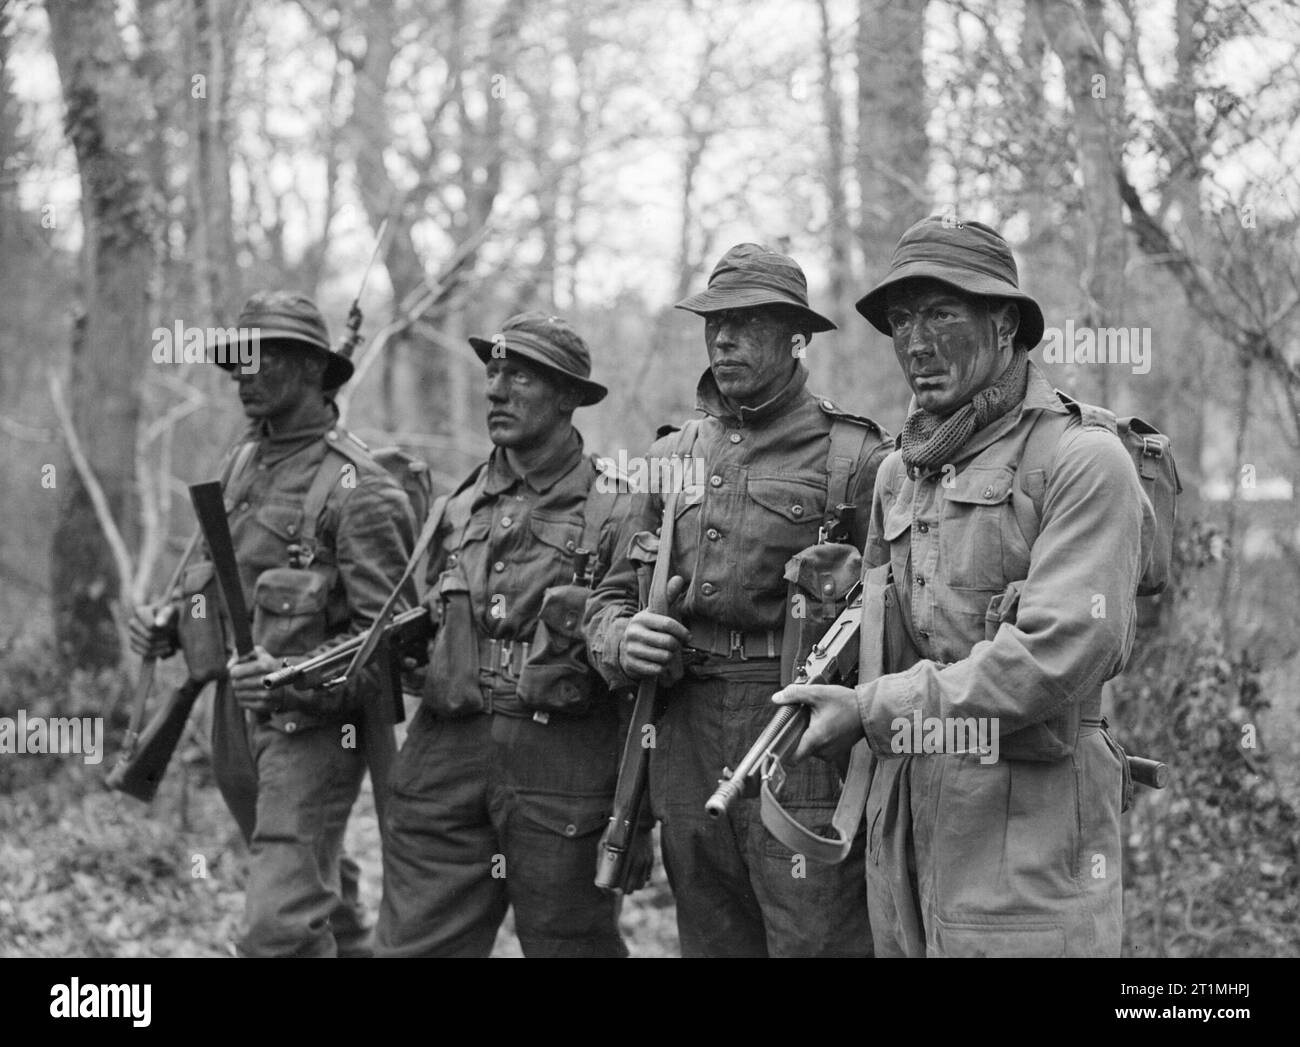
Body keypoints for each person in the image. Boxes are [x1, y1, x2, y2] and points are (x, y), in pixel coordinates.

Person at [775, 216, 1153, 957]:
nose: (916, 342)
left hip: (1028, 860)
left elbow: (1057, 650)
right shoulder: (899, 471)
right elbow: (901, 635)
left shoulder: (1083, 460)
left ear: (1005, 324)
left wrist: (873, 708)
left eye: (943, 313)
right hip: (906, 853)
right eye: (903, 319)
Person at [584, 244, 890, 957]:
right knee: (712, 937)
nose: (722, 338)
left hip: (802, 736)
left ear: (796, 337)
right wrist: (623, 639)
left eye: (748, 322)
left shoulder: (855, 460)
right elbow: (600, 602)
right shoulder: (668, 457)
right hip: (684, 732)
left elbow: (901, 613)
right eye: (714, 322)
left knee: (818, 938)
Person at [129, 291, 416, 957]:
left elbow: (391, 642)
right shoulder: (240, 464)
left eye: (260, 361)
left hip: (313, 730)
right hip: (233, 712)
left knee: (278, 927)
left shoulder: (361, 488)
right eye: (237, 364)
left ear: (314, 370)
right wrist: (170, 621)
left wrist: (287, 680)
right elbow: (214, 576)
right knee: (320, 895)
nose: (243, 377)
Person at [375, 312, 641, 958]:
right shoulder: (457, 506)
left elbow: (635, 656)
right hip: (446, 749)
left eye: (519, 376)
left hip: (562, 764)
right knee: (412, 945)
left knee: (567, 944)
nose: (496, 390)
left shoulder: (618, 507)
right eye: (493, 372)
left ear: (568, 397)